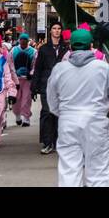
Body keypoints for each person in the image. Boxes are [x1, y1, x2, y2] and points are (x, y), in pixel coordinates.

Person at [45, 27, 109, 187]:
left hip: (68, 124)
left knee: (69, 170)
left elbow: (51, 98)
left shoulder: (59, 69)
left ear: (70, 47)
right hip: (96, 124)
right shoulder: (103, 68)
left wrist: (61, 114)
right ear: (91, 46)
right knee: (98, 172)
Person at [32, 21, 70, 154]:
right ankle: (47, 142)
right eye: (54, 28)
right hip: (46, 85)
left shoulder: (66, 48)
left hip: (63, 85)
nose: (57, 31)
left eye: (59, 28)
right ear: (50, 31)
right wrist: (34, 87)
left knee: (60, 114)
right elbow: (38, 68)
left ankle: (59, 141)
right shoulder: (43, 49)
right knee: (47, 112)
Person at [10, 33, 36, 127]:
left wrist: (31, 74)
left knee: (26, 99)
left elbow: (35, 65)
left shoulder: (33, 51)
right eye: (21, 39)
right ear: (19, 40)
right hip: (15, 79)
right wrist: (13, 75)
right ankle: (17, 115)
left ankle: (26, 118)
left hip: (27, 80)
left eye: (25, 40)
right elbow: (10, 63)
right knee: (16, 98)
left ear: (28, 41)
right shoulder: (14, 50)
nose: (23, 41)